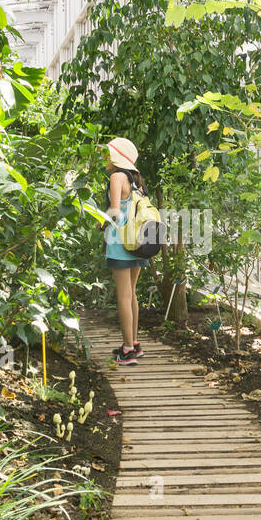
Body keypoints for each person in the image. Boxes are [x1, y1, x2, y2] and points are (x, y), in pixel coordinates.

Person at [101, 137, 148, 365]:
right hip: (138, 244)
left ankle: (128, 350)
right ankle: (134, 343)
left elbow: (116, 212)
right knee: (132, 294)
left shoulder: (116, 177)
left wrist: (99, 221)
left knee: (123, 296)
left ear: (115, 157)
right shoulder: (137, 180)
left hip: (120, 243)